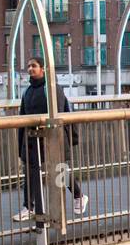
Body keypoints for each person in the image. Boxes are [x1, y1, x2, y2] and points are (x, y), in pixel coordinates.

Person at [14, 57, 87, 222]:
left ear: (43, 69)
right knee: (31, 171)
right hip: (33, 138)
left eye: (34, 66)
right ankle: (29, 207)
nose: (30, 69)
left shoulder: (53, 89)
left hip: (53, 137)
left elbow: (59, 114)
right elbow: (22, 119)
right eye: (28, 66)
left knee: (58, 171)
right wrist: (20, 147)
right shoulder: (27, 92)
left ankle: (78, 196)